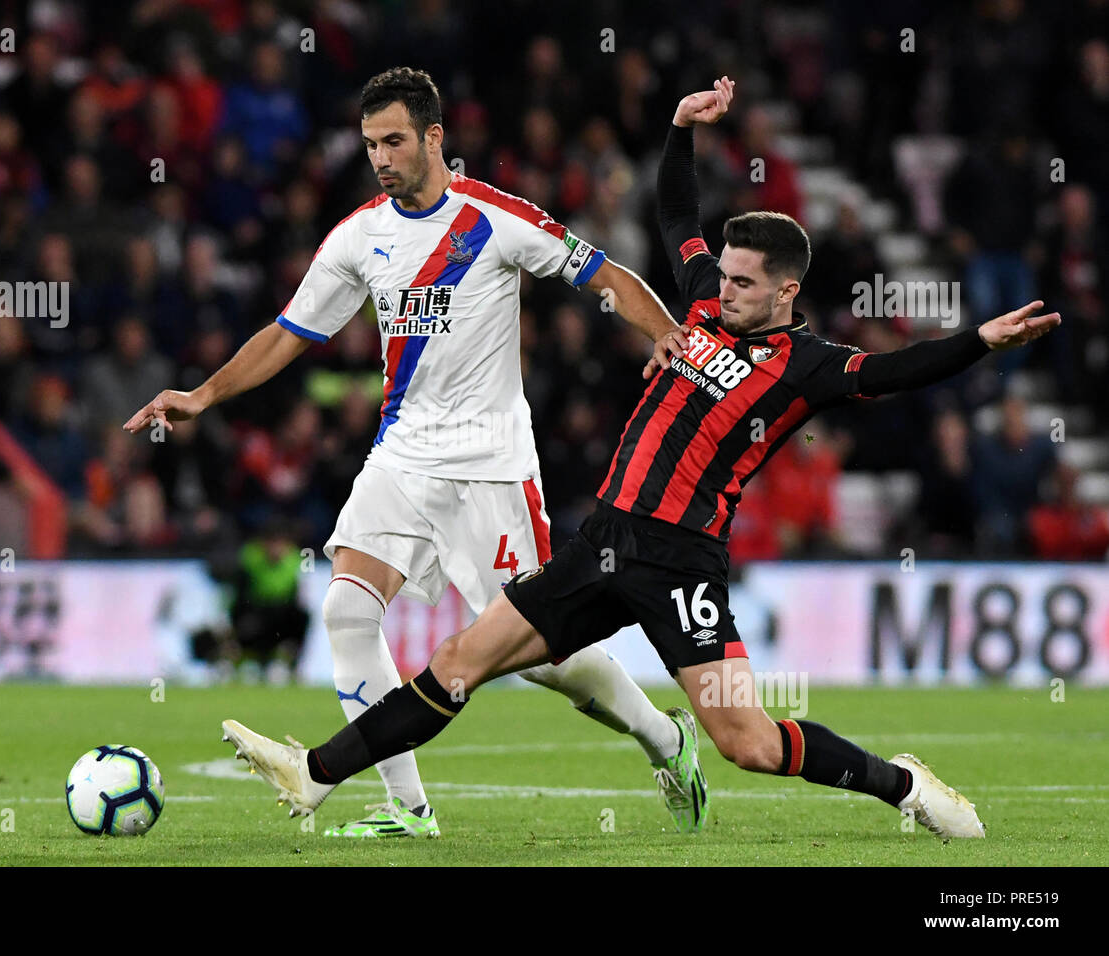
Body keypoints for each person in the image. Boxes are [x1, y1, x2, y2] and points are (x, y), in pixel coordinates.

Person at [220, 76, 1061, 841]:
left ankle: (902, 785)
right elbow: (674, 217)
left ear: (786, 293)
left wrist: (980, 342)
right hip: (602, 543)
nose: (721, 288)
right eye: (722, 274)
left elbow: (894, 370)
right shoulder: (697, 308)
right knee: (456, 664)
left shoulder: (807, 367)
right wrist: (679, 129)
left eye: (740, 283)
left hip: (683, 568)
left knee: (752, 743)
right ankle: (318, 772)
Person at [127, 67, 702, 838]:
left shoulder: (492, 218)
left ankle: (665, 737)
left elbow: (602, 273)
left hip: (491, 464)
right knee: (344, 608)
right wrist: (202, 395)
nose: (380, 157)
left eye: (394, 140)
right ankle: (407, 808)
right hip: (402, 456)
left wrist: (664, 332)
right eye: (370, 144)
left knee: (537, 658)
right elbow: (289, 332)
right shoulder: (360, 237)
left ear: (435, 136)